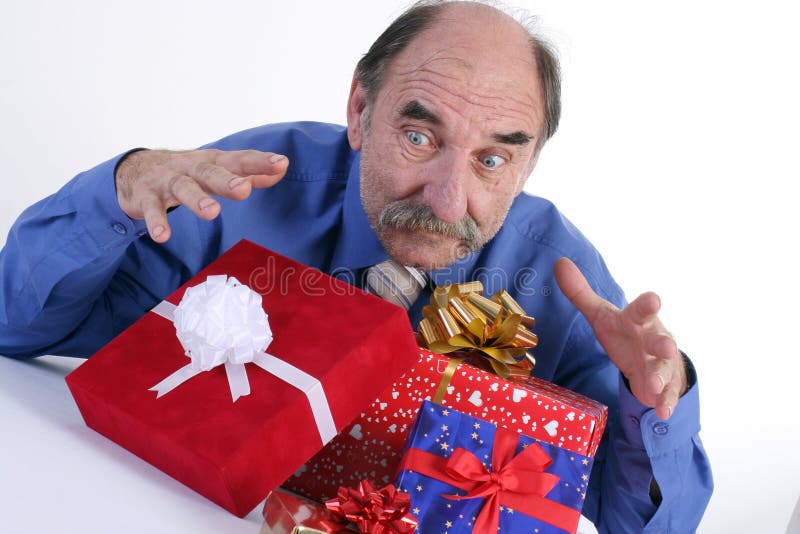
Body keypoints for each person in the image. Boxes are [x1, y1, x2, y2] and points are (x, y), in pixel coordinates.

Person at [0, 1, 712, 531]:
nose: (446, 200)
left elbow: (649, 525)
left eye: (493, 159)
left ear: (529, 165)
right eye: (418, 135)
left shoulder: (561, 279)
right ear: (360, 109)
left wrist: (657, 402)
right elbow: (19, 325)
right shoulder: (249, 190)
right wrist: (119, 190)